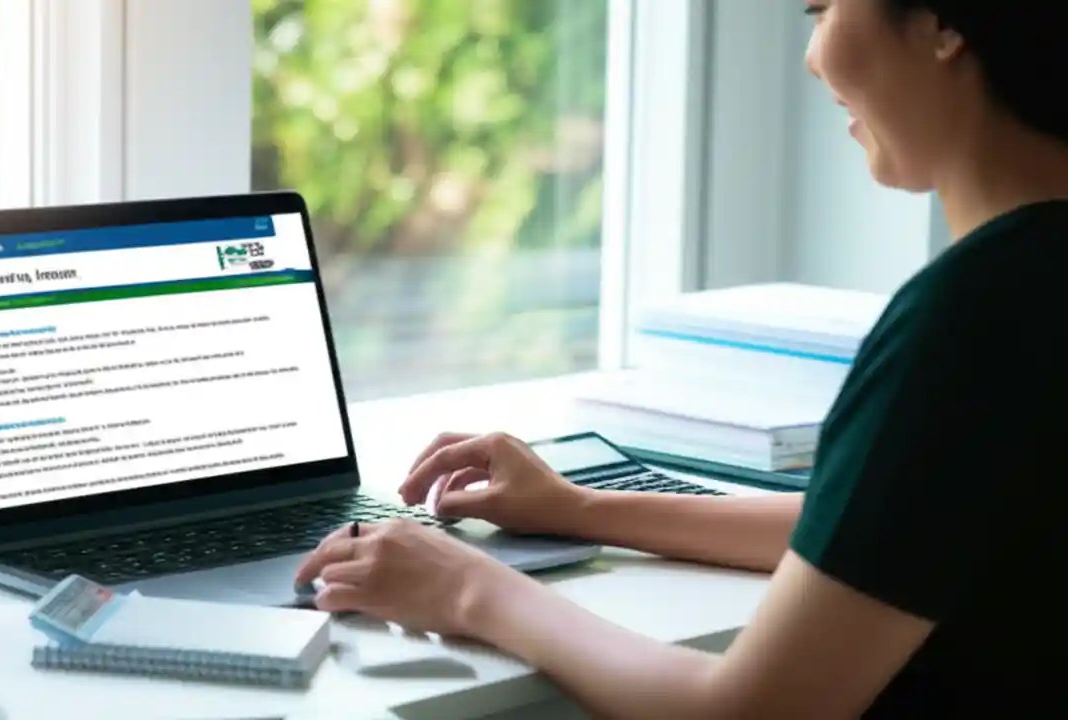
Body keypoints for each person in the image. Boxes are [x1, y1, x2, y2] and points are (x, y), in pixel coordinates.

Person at [297, 0, 1068, 716]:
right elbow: (881, 528)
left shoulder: (974, 316)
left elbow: (751, 710)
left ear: (941, 23)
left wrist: (470, 589)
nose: (812, 58)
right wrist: (579, 510)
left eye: (824, 8)